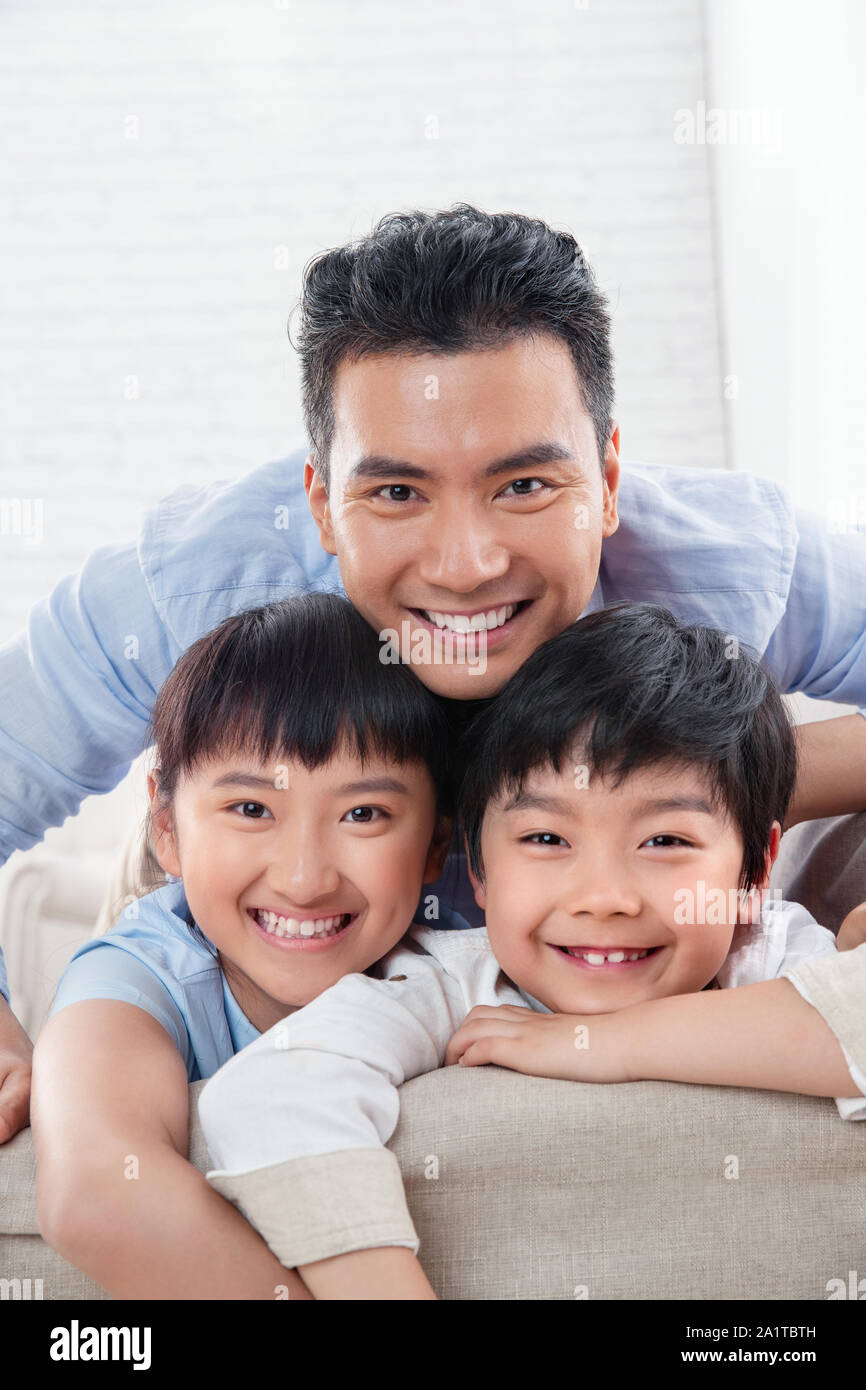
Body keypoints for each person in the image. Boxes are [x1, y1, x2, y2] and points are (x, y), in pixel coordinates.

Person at [4, 204, 866, 1142]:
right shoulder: (186, 587)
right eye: (396, 492)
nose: (464, 565)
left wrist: (739, 773)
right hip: (254, 920)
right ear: (322, 505)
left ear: (610, 483)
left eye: (526, 486)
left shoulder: (728, 560)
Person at [197, 605, 866, 1297]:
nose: (604, 898)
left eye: (665, 841)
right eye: (546, 839)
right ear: (479, 870)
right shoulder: (450, 985)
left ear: (755, 872)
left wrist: (597, 1043)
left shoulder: (771, 954)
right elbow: (271, 1093)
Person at [30, 594, 452, 1299]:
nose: (304, 878)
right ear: (166, 827)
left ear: (438, 842)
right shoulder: (135, 978)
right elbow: (95, 1194)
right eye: (251, 809)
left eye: (364, 813)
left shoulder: (443, 975)